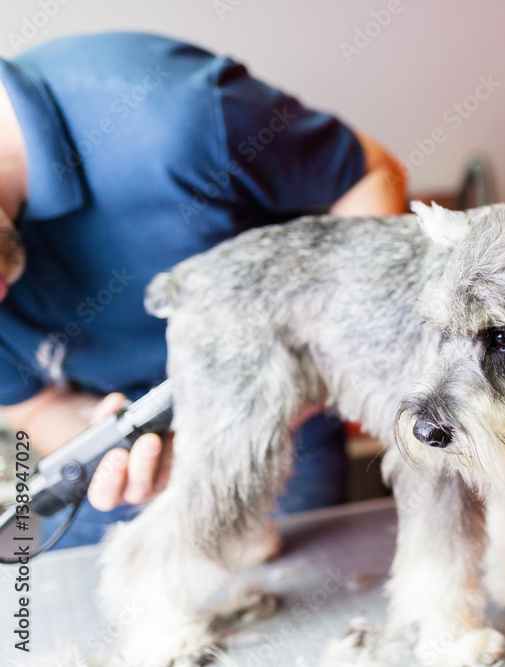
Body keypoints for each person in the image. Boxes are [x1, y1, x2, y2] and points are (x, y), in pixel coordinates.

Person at [0, 32, 406, 547]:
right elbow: (32, 406)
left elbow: (369, 176)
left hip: (279, 426)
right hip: (132, 465)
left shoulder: (173, 116)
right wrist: (105, 443)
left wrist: (301, 380)